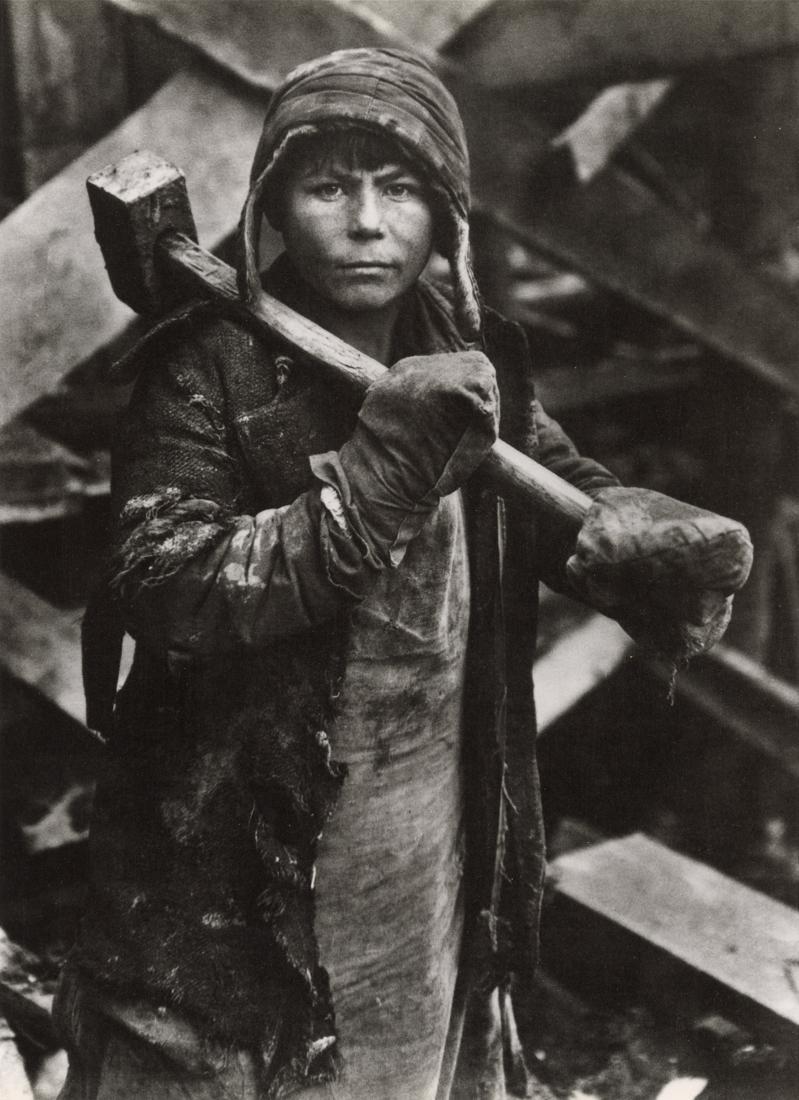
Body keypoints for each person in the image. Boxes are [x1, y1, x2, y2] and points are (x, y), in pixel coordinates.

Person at [54, 48, 752, 1099]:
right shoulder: (208, 368)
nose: (367, 222)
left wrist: (638, 535)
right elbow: (168, 581)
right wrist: (375, 475)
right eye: (328, 185)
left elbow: (552, 484)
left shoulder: (464, 346)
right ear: (275, 204)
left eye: (401, 189)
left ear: (448, 215)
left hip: (426, 810)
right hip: (244, 829)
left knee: (399, 1050)